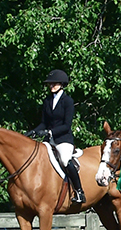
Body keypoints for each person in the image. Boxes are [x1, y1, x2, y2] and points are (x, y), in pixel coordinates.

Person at [28, 69, 84, 204]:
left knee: (65, 160)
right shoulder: (47, 101)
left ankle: (79, 192)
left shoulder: (68, 101)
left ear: (61, 84)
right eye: (50, 84)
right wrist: (33, 132)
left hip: (63, 139)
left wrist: (50, 132)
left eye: (55, 83)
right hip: (49, 140)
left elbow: (66, 125)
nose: (52, 86)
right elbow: (44, 123)